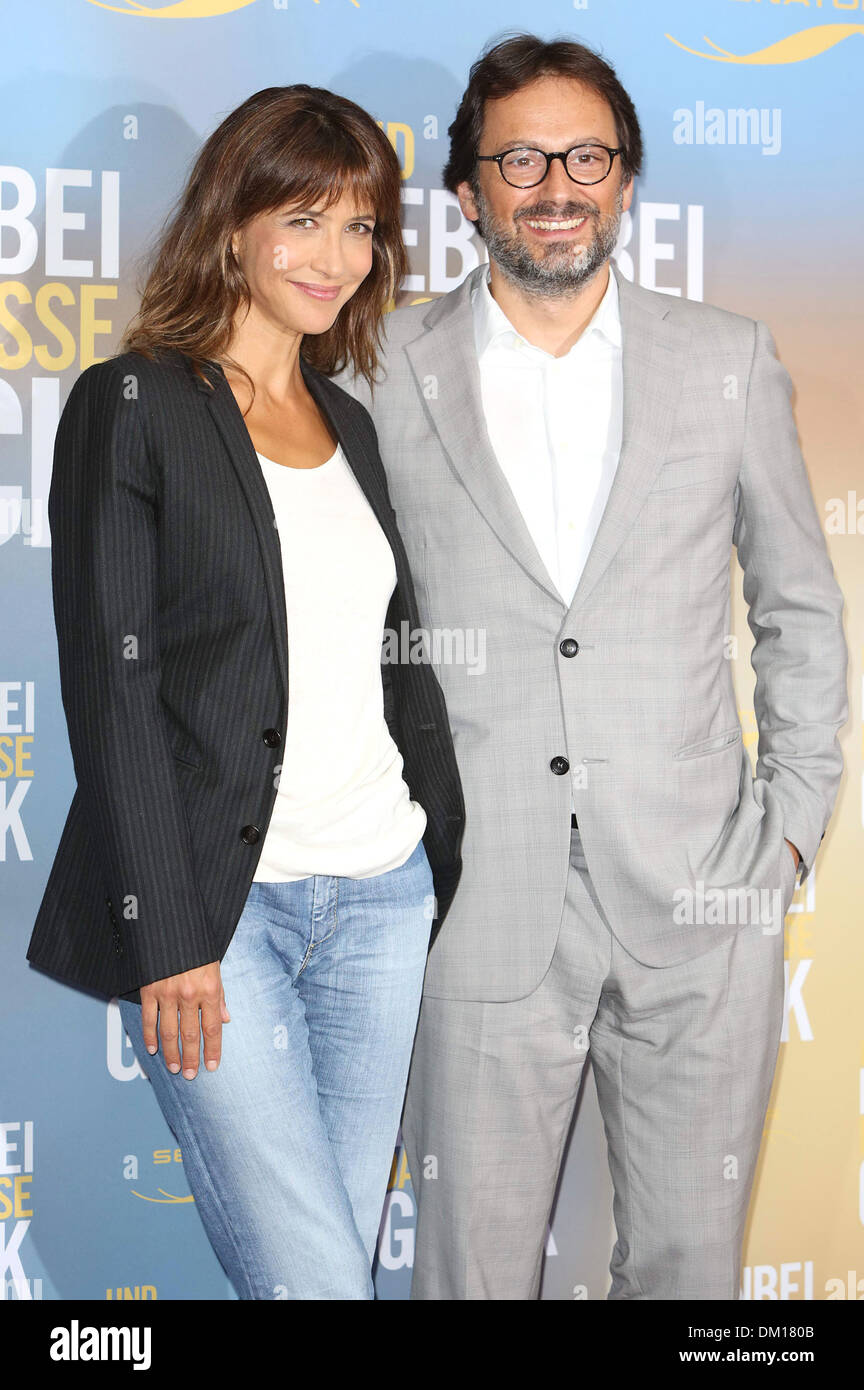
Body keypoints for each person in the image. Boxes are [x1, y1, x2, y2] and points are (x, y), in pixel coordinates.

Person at [335, 33, 848, 1299]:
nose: (555, 183)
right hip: (476, 900)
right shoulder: (383, 368)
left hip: (702, 897)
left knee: (689, 1273)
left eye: (586, 155)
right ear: (467, 193)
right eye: (520, 157)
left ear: (626, 182)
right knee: (472, 1273)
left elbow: (800, 607)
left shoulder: (726, 360)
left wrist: (787, 832)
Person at [26, 84, 464, 1301]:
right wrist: (168, 935)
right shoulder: (134, 404)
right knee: (321, 1280)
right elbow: (111, 692)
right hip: (225, 914)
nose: (339, 257)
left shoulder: (349, 424)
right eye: (306, 220)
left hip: (381, 902)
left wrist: (437, 851)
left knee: (321, 1273)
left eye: (364, 227)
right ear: (233, 223)